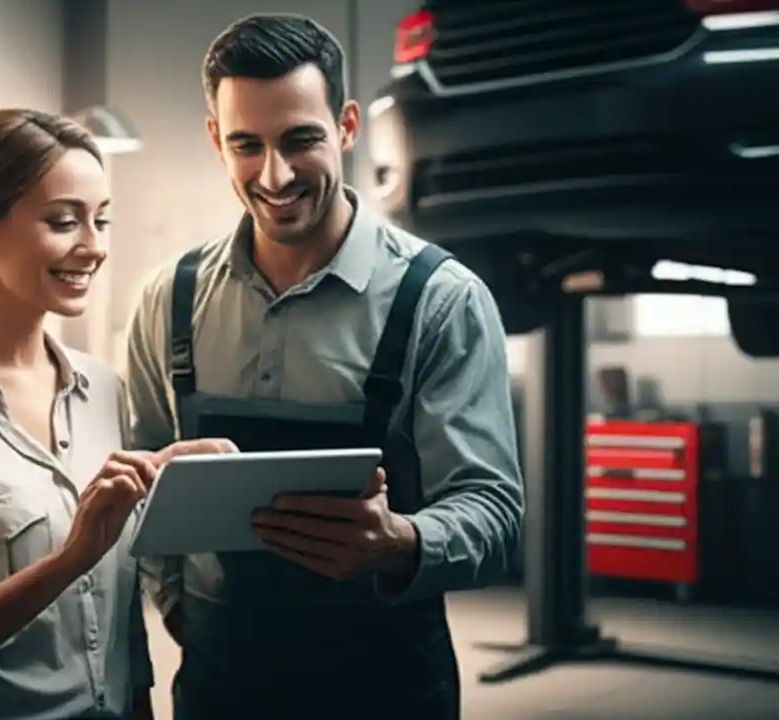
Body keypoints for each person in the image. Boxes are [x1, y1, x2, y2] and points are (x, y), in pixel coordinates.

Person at [124, 14, 525, 718]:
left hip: (386, 685)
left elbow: (493, 511)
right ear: (216, 139)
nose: (274, 175)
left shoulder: (440, 300)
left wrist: (400, 541)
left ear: (345, 125)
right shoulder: (169, 301)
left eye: (299, 139)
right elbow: (139, 479)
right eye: (247, 145)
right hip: (220, 684)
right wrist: (177, 607)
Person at [0, 108, 231, 720]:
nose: (94, 246)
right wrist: (67, 561)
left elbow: (118, 612)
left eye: (101, 220)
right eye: (64, 222)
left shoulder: (105, 389)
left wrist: (169, 485)